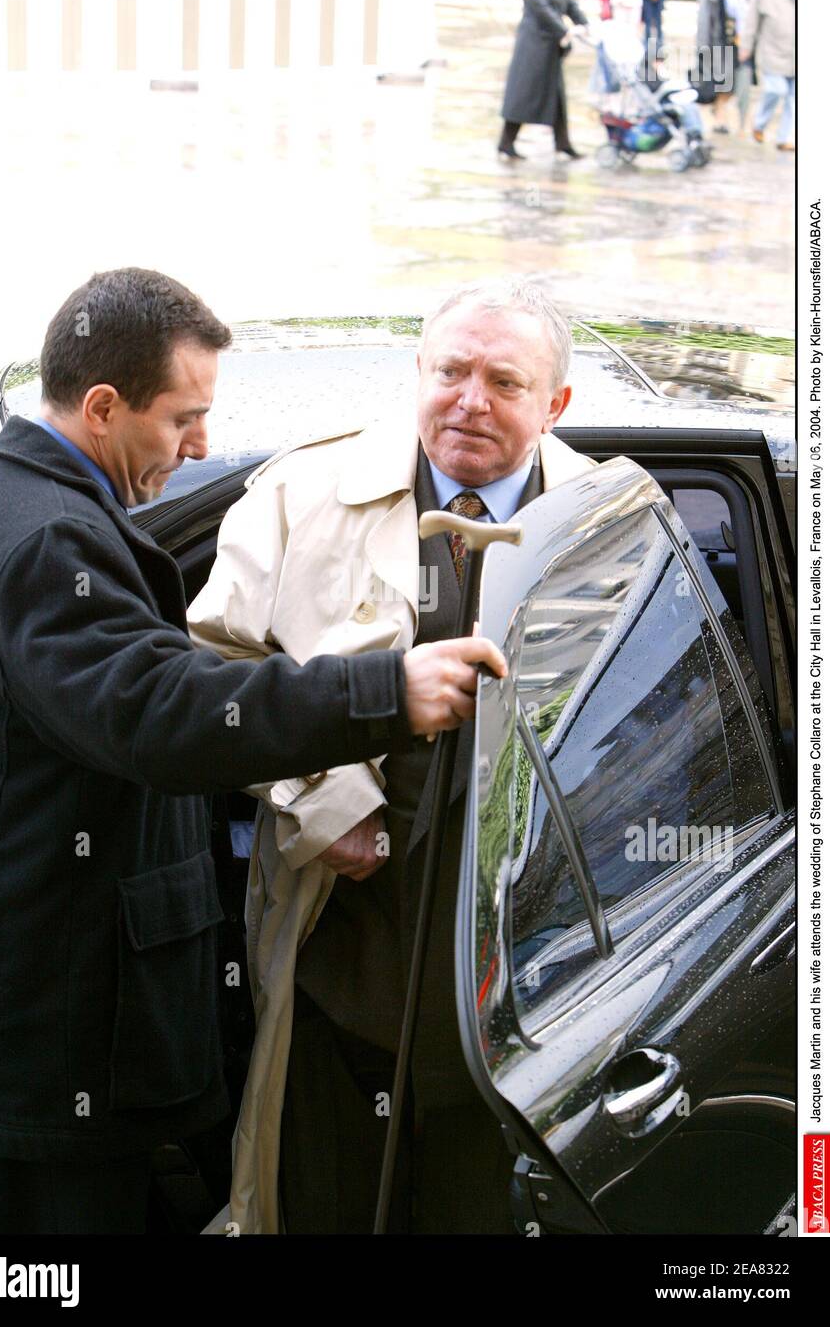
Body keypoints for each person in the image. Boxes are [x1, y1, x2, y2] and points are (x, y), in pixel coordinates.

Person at [0, 267, 504, 1236]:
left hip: (60, 1030)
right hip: (55, 1053)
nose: (199, 446)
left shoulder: (24, 501)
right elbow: (165, 708)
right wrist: (384, 691)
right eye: (182, 419)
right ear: (104, 406)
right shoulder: (46, 545)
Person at [188, 276, 606, 1234]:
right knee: (326, 1198)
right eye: (450, 370)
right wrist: (328, 801)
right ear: (417, 371)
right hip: (346, 941)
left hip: (523, 976)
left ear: (556, 405)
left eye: (505, 382)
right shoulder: (303, 493)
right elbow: (213, 667)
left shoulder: (602, 519)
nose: (469, 400)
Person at [498, 0, 589, 160]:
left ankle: (563, 143)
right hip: (534, 45)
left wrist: (584, 24)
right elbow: (541, 9)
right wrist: (564, 30)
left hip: (552, 46)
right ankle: (506, 142)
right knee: (524, 93)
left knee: (556, 95)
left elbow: (569, 4)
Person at [743, 0, 795, 151]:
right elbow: (751, 18)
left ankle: (783, 138)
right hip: (773, 50)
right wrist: (746, 45)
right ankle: (759, 124)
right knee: (776, 90)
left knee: (795, 100)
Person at [697, 0, 751, 134]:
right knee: (724, 82)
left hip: (742, 41)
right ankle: (720, 119)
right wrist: (703, 49)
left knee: (741, 82)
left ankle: (730, 117)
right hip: (719, 40)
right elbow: (704, 21)